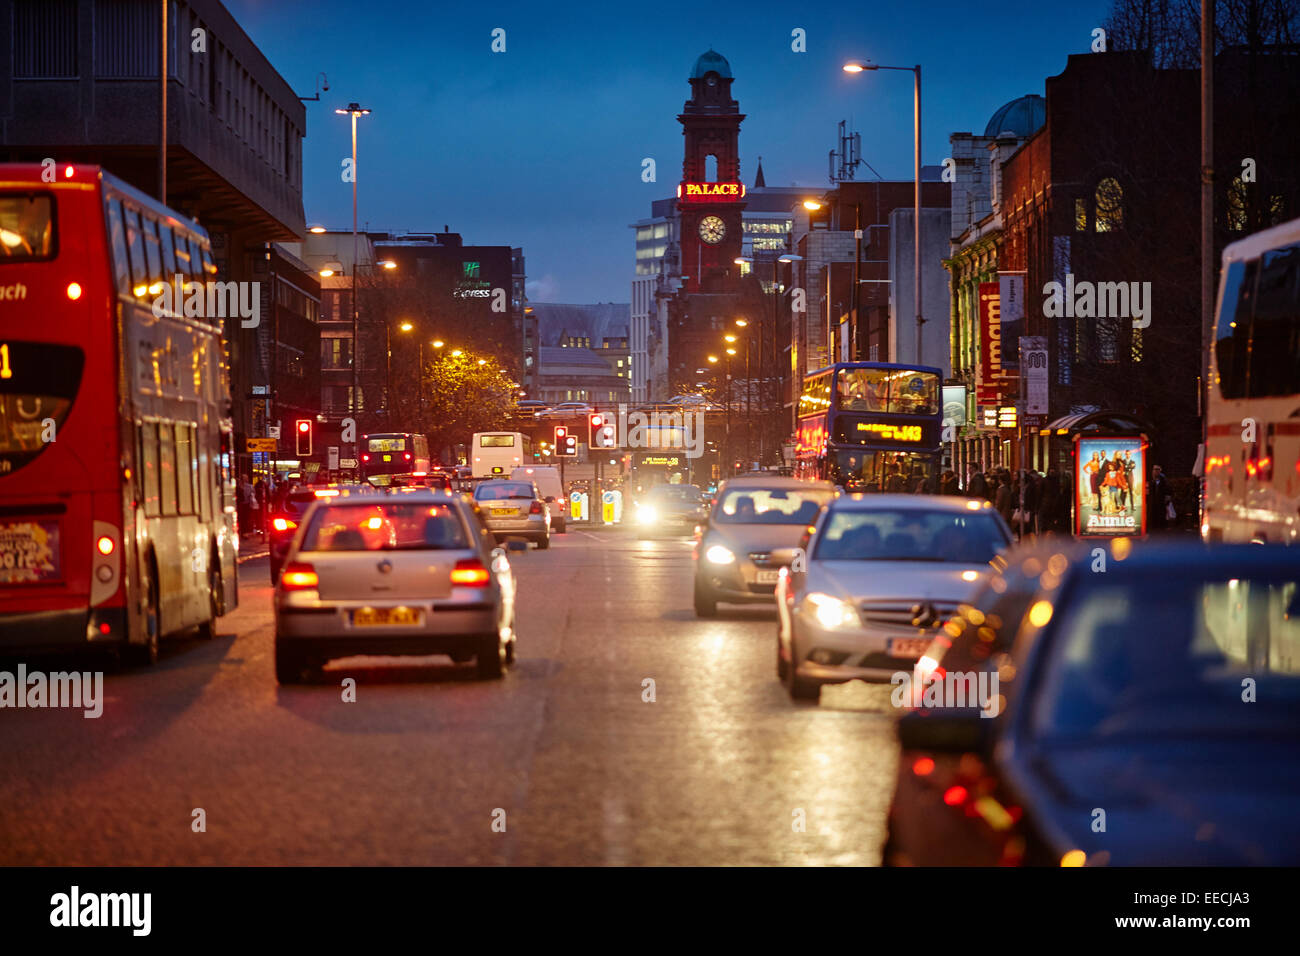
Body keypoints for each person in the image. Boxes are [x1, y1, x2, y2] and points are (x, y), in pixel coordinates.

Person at [1150, 465, 1173, 531]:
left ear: (1160, 470)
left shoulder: (1164, 479)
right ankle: (1155, 526)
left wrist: (1167, 498)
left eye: (1157, 469)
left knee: (1162, 513)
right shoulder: (1152, 480)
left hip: (1161, 500)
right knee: (1155, 513)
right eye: (1154, 469)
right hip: (1154, 501)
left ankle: (1162, 526)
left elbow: (1168, 489)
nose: (1156, 471)